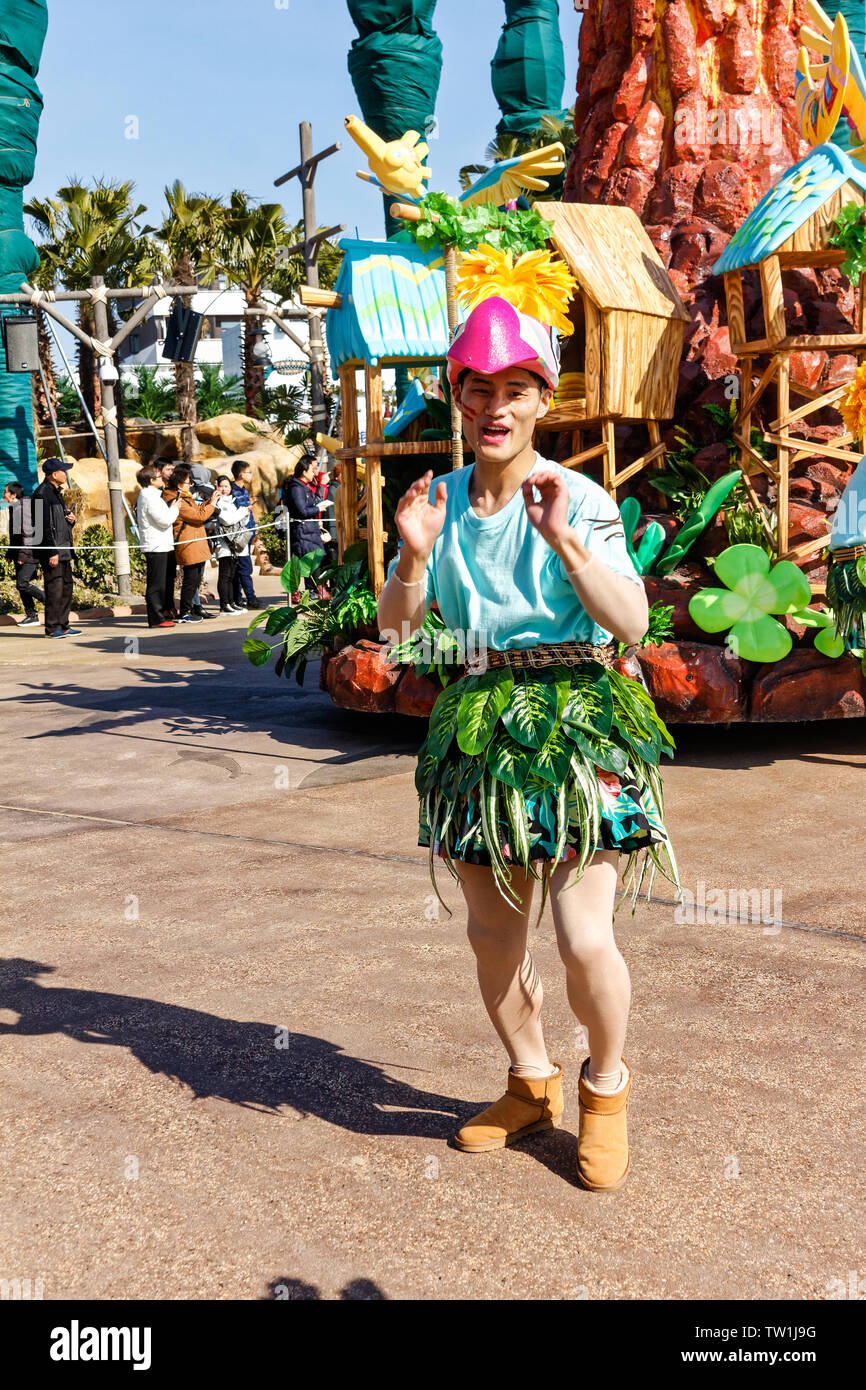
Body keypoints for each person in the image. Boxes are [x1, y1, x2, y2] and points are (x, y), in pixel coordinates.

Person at [376, 256, 682, 1192]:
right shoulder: (434, 505)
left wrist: (563, 544)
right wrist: (413, 558)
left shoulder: (576, 498)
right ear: (457, 399)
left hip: (576, 717)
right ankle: (529, 1081)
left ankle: (607, 1087)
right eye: (480, 390)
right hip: (479, 720)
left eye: (516, 389)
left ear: (542, 401)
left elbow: (629, 623)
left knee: (585, 937)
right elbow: (396, 635)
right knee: (491, 937)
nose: (496, 407)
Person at [32, 457, 81, 639]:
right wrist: (50, 551)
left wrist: (70, 521)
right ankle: (52, 628)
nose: (65, 474)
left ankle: (63, 625)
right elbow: (41, 527)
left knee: (66, 588)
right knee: (54, 589)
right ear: (54, 474)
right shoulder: (41, 494)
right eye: (63, 471)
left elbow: (57, 523)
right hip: (53, 552)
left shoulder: (57, 493)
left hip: (64, 549)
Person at [162, 465, 216, 624]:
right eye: (187, 482)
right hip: (188, 544)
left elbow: (198, 511)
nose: (190, 485)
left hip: (196, 542)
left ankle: (191, 608)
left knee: (195, 578)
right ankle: (185, 611)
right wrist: (212, 503)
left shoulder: (184, 496)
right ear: (179, 485)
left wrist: (209, 502)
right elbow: (198, 516)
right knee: (191, 579)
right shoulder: (177, 500)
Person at [135, 465, 179, 628]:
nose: (162, 478)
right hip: (155, 546)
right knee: (156, 584)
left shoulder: (153, 495)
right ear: (151, 480)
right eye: (159, 476)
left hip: (162, 544)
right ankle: (156, 618)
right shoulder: (149, 496)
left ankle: (160, 614)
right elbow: (164, 520)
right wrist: (175, 508)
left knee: (162, 582)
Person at [3, 480, 44, 626]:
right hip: (21, 553)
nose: (3, 494)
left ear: (13, 494)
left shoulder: (22, 508)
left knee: (22, 584)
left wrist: (22, 555)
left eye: (5, 491)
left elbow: (27, 535)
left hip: (29, 553)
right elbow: (16, 535)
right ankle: (32, 615)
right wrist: (10, 552)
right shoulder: (15, 507)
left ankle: (50, 603)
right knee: (21, 584)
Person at [209, 475, 247, 613]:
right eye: (221, 486)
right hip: (224, 544)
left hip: (234, 544)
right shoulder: (217, 502)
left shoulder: (232, 501)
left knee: (232, 575)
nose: (224, 489)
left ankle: (231, 602)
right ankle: (224, 604)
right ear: (216, 487)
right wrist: (243, 511)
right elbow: (227, 520)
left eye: (227, 486)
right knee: (225, 575)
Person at [230, 461, 261, 609]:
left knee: (241, 567)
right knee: (244, 568)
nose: (251, 475)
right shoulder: (232, 490)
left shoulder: (243, 490)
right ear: (241, 474)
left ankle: (238, 598)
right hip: (239, 535)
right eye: (249, 472)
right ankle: (250, 598)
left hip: (248, 534)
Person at [159, 462, 180, 618]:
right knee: (162, 577)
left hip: (173, 540)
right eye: (168, 469)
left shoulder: (175, 490)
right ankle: (162, 609)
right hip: (160, 540)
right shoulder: (156, 493)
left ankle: (170, 604)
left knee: (170, 575)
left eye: (173, 469)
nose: (171, 472)